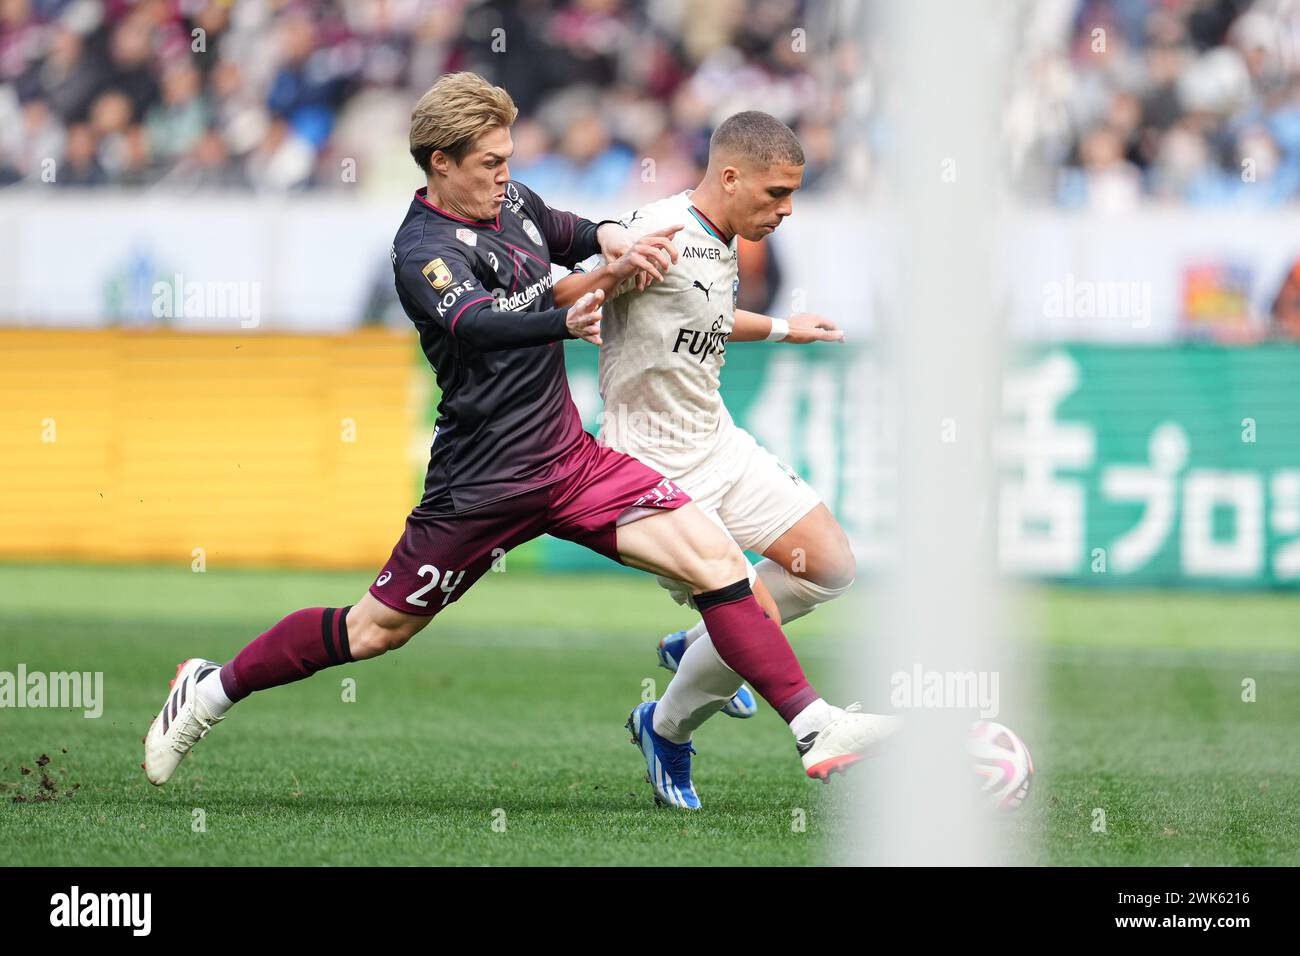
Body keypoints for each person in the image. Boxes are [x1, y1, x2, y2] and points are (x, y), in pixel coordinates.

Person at [143, 74, 895, 810]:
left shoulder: (515, 204)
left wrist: (616, 240)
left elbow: (572, 230)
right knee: (374, 632)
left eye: (509, 158)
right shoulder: (423, 251)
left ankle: (812, 726)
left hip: (571, 463)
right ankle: (209, 689)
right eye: (490, 163)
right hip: (481, 483)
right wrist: (564, 310)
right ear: (441, 163)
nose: (507, 177)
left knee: (717, 559)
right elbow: (479, 322)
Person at [555, 111, 870, 805]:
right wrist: (600, 279)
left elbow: (705, 314)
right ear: (729, 177)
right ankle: (664, 727)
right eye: (775, 194)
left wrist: (787, 328)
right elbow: (562, 294)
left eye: (793, 195)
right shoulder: (655, 231)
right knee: (749, 610)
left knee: (830, 565)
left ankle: (701, 639)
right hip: (649, 469)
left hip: (717, 441)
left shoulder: (723, 236)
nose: (786, 210)